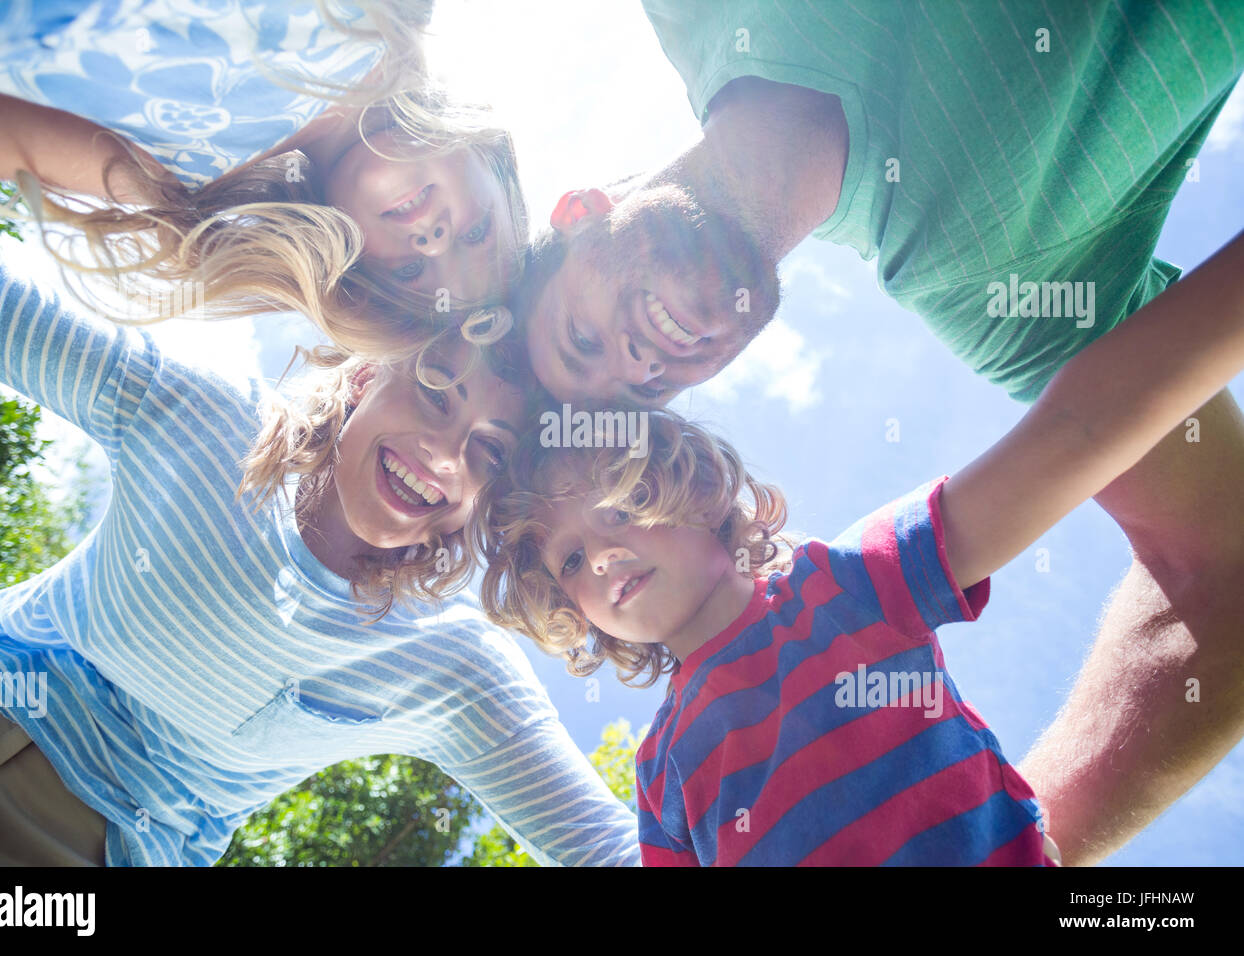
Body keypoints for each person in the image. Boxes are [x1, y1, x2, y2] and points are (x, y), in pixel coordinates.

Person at [510, 0, 1244, 865]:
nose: (634, 360)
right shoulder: (1015, 296)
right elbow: (1201, 552)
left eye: (580, 338)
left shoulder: (841, 587)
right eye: (646, 392)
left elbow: (1077, 436)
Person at [0, 173, 638, 866]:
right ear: (367, 378)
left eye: (488, 450)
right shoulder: (198, 416)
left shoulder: (455, 671)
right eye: (434, 395)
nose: (445, 455)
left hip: (84, 849)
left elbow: (606, 852)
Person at [0, 0, 528, 360]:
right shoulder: (392, 11)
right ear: (489, 157)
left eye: (410, 272)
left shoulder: (171, 181)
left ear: (352, 265)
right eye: (477, 236)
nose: (432, 243)